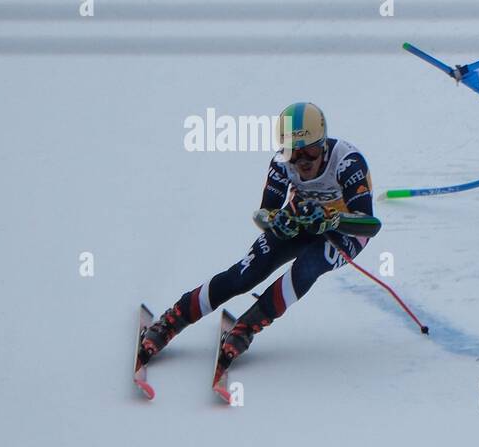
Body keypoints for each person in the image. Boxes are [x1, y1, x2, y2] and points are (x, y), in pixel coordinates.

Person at [137, 102, 379, 375]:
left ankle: (248, 325)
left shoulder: (348, 161)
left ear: (323, 144)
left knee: (308, 267)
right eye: (293, 153)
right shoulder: (280, 163)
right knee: (245, 275)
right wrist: (277, 221)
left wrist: (333, 219)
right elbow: (263, 214)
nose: (302, 161)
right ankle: (175, 318)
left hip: (346, 230)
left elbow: (370, 224)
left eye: (309, 151)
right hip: (301, 220)